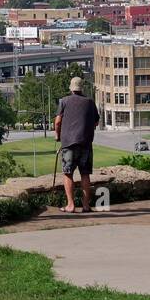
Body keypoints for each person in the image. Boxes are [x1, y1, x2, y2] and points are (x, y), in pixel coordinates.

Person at [54, 76, 100, 213]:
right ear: (82, 88)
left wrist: (57, 135)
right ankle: (86, 206)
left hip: (69, 143)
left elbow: (57, 121)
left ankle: (71, 205)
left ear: (71, 88)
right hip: (85, 143)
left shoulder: (64, 101)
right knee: (85, 174)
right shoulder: (90, 102)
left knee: (68, 174)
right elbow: (96, 122)